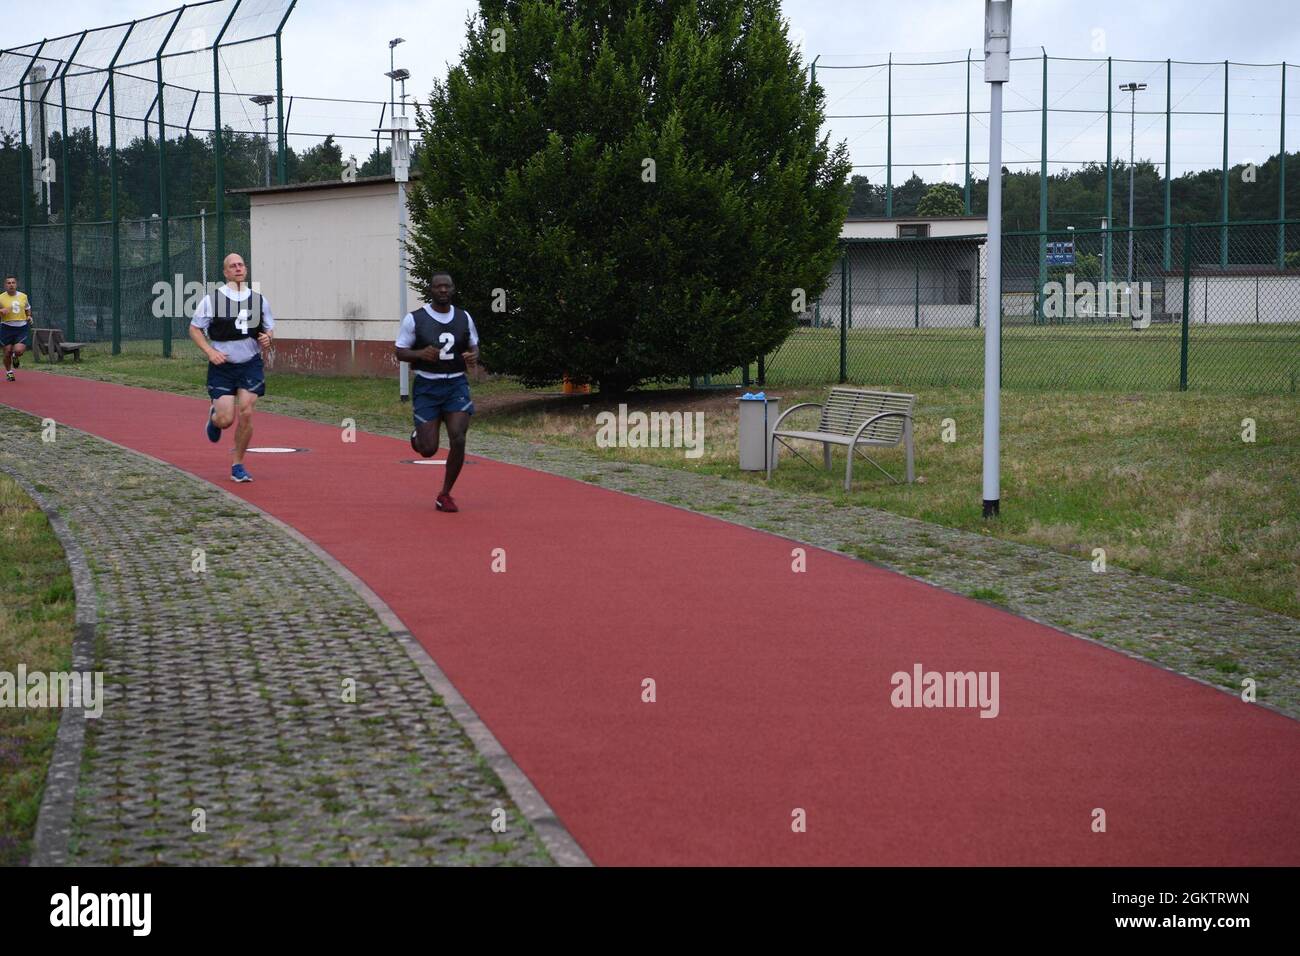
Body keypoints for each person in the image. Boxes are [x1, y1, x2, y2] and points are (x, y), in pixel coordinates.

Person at [394, 271, 479, 512]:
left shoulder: (464, 317)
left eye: (447, 287)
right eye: (438, 287)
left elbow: (474, 346)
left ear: (453, 289)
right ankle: (418, 437)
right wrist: (420, 354)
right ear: (431, 290)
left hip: (456, 385)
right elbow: (400, 351)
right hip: (427, 385)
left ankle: (445, 494)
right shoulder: (415, 319)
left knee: (458, 437)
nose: (443, 290)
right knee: (428, 449)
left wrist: (473, 356)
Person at [188, 253, 274, 482]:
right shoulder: (212, 300)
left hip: (250, 364)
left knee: (246, 410)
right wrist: (210, 352)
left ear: (245, 269)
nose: (238, 268)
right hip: (223, 365)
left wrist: (267, 338)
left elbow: (268, 329)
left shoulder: (259, 300)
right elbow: (195, 328)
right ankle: (214, 417)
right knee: (226, 420)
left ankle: (238, 465)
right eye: (232, 266)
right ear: (225, 273)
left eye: (241, 265)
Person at [0, 275, 33, 382]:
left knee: (18, 351)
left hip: (21, 327)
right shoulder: (1, 297)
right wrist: (1, 311)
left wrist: (28, 316)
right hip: (6, 328)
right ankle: (9, 372)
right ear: (5, 285)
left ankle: (15, 355)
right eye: (8, 283)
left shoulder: (23, 296)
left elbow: (28, 308)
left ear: (16, 284)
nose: (11, 285)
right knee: (7, 352)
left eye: (13, 283)